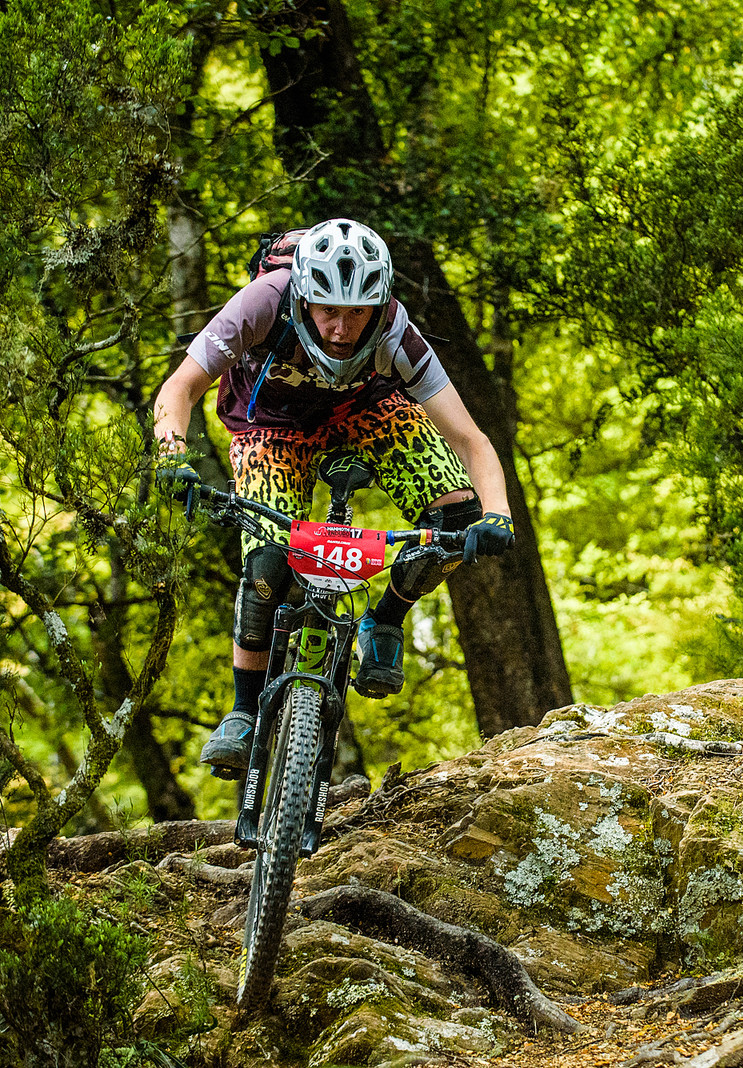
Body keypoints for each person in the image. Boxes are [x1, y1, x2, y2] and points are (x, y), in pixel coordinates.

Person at [152, 218, 513, 774]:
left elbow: (471, 437)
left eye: (357, 312)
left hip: (366, 413)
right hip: (269, 428)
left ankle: (385, 619)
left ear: (380, 304)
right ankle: (243, 712)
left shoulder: (397, 332)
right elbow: (180, 387)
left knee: (456, 517)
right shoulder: (262, 303)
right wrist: (173, 457)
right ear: (304, 297)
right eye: (328, 311)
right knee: (269, 560)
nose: (342, 328)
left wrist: (498, 517)